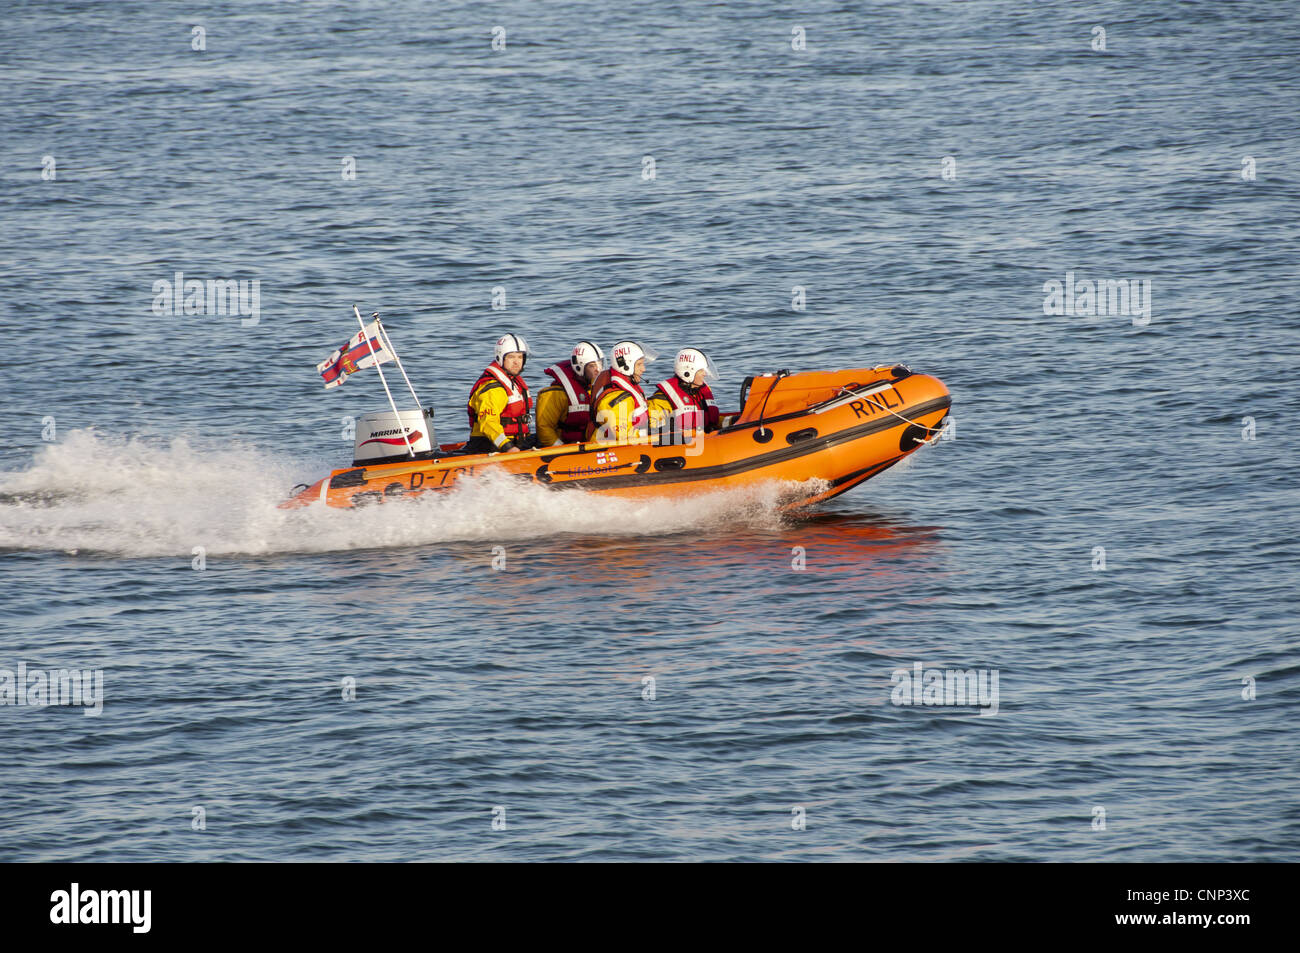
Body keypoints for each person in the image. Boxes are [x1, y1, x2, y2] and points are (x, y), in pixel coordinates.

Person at [465, 333, 533, 454]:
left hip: (516, 441)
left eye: (520, 357)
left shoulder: (514, 383)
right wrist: (507, 447)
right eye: (511, 357)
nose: (517, 362)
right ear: (500, 358)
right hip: (490, 445)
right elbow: (488, 423)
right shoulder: (493, 389)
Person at [536, 341, 605, 446]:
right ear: (580, 368)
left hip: (588, 445)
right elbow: (544, 428)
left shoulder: (596, 390)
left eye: (600, 364)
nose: (598, 370)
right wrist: (560, 448)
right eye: (592, 366)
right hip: (563, 447)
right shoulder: (555, 394)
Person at [586, 341, 656, 443]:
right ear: (626, 366)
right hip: (611, 450)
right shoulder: (619, 399)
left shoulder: (626, 387)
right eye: (639, 364)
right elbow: (623, 435)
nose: (643, 369)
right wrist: (653, 433)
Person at [646, 347, 722, 440]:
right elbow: (650, 431)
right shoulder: (662, 399)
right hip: (679, 446)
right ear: (688, 372)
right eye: (701, 371)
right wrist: (673, 428)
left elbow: (709, 420)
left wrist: (733, 420)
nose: (704, 374)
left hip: (703, 440)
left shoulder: (699, 393)